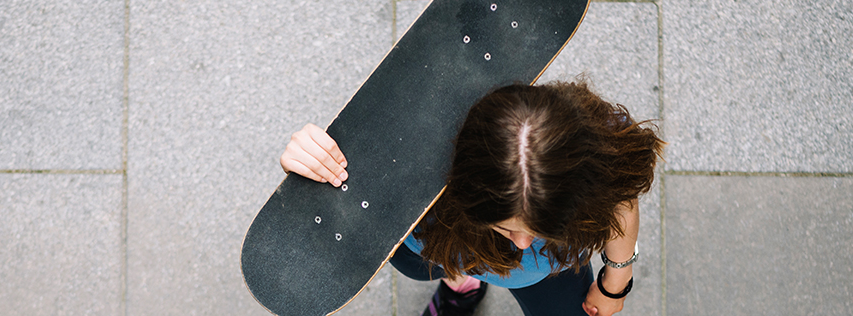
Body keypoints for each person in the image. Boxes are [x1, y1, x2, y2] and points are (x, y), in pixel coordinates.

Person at [280, 80, 664, 316]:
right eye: (506, 226)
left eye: (544, 227)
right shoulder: (413, 186)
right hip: (438, 244)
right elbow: (335, 204)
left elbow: (621, 201)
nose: (523, 245)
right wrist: (310, 167)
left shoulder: (604, 149)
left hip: (549, 275)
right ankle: (460, 283)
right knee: (420, 266)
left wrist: (617, 280)